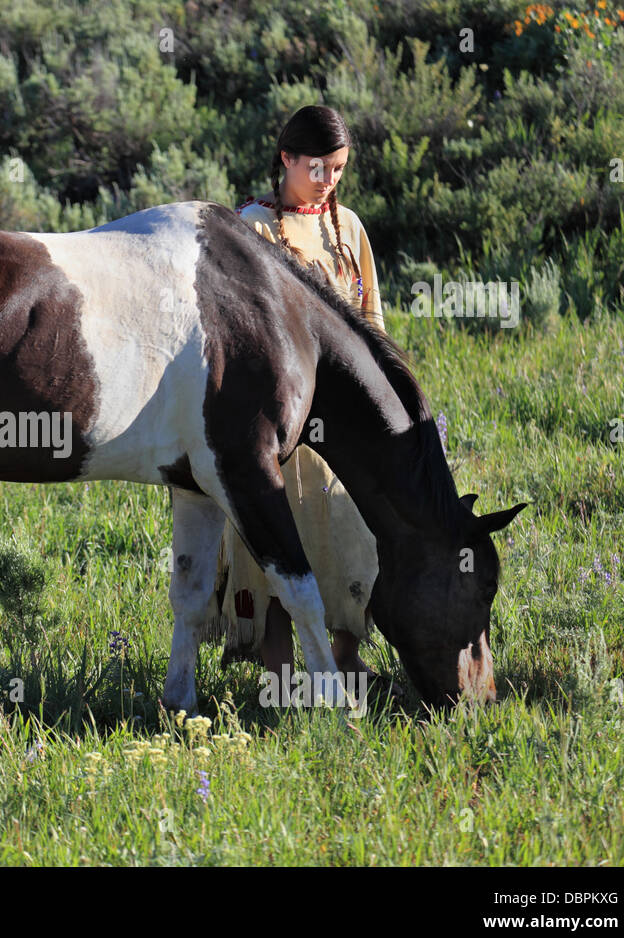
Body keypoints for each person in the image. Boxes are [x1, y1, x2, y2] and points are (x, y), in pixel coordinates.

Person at [210, 105, 387, 697]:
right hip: (275, 419)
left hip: (342, 423)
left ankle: (342, 658)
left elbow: (371, 323)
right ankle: (280, 672)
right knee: (278, 540)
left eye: (338, 169)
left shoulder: (349, 229)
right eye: (318, 168)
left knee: (348, 531)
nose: (329, 180)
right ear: (285, 157)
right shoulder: (253, 227)